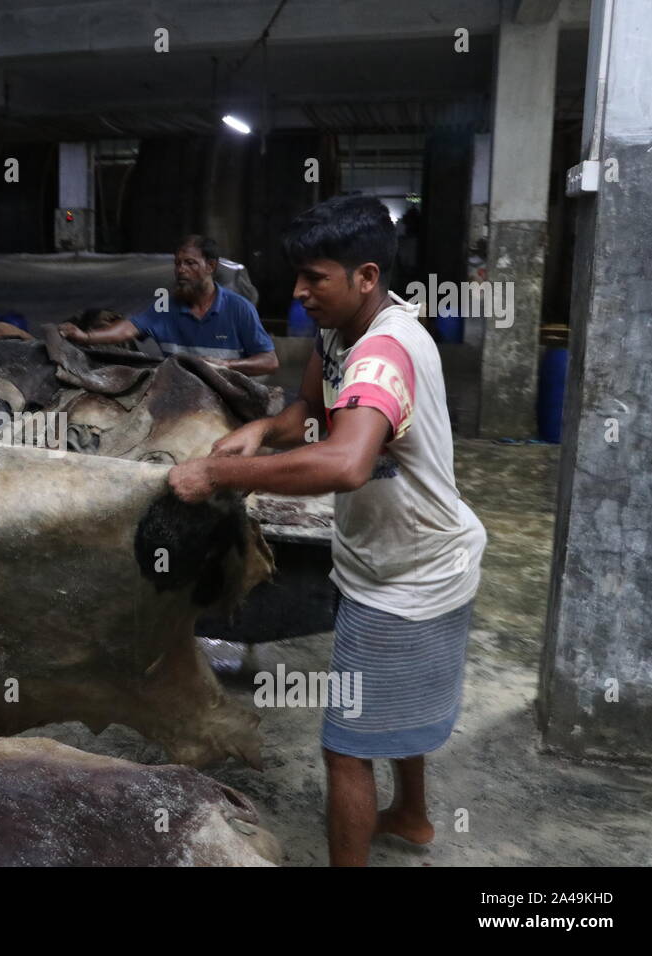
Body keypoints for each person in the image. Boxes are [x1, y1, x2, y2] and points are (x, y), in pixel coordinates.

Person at [167, 195, 486, 866]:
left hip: (412, 577)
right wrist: (261, 429)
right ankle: (412, 815)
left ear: (366, 276)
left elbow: (345, 462)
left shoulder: (386, 353)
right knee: (388, 712)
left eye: (316, 277)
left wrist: (221, 478)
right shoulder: (342, 332)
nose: (300, 292)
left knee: (346, 749)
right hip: (384, 558)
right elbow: (311, 407)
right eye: (298, 277)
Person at [56, 236, 279, 376]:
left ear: (210, 266)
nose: (181, 270)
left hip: (227, 393)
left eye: (190, 263)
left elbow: (269, 362)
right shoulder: (167, 305)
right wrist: (85, 337)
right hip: (177, 391)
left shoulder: (238, 308)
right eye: (178, 263)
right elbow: (128, 328)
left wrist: (226, 365)